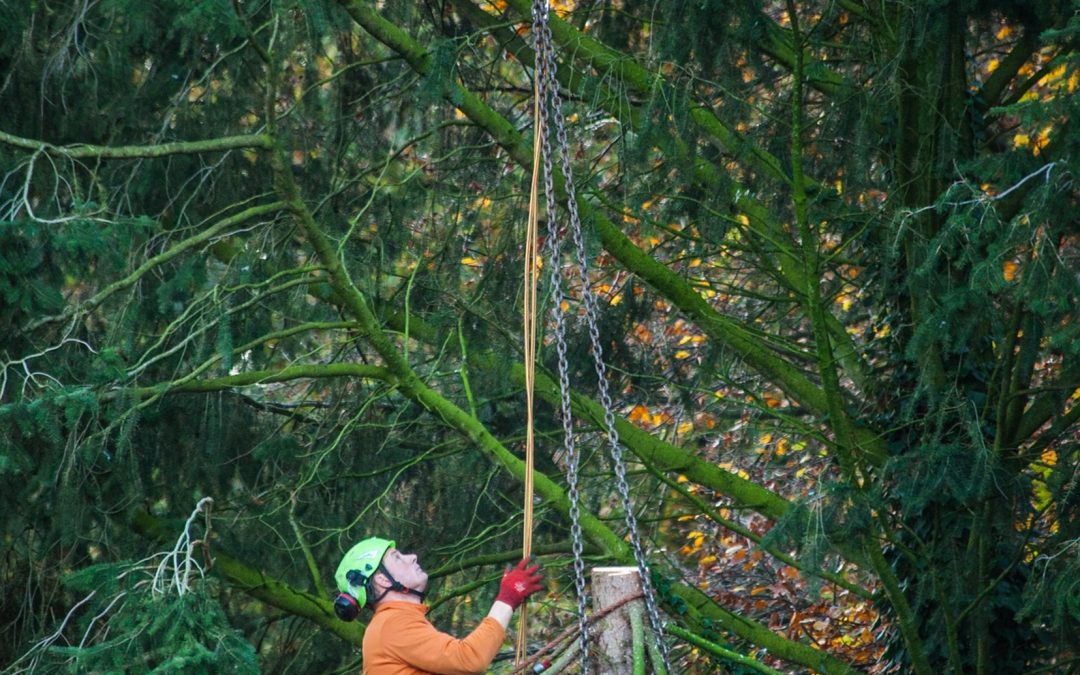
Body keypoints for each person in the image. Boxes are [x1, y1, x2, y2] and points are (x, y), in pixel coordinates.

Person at [333, 537, 545, 674]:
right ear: (383, 580)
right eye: (397, 558)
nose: (412, 557)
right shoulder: (392, 623)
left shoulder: (393, 623)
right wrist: (507, 598)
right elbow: (469, 659)